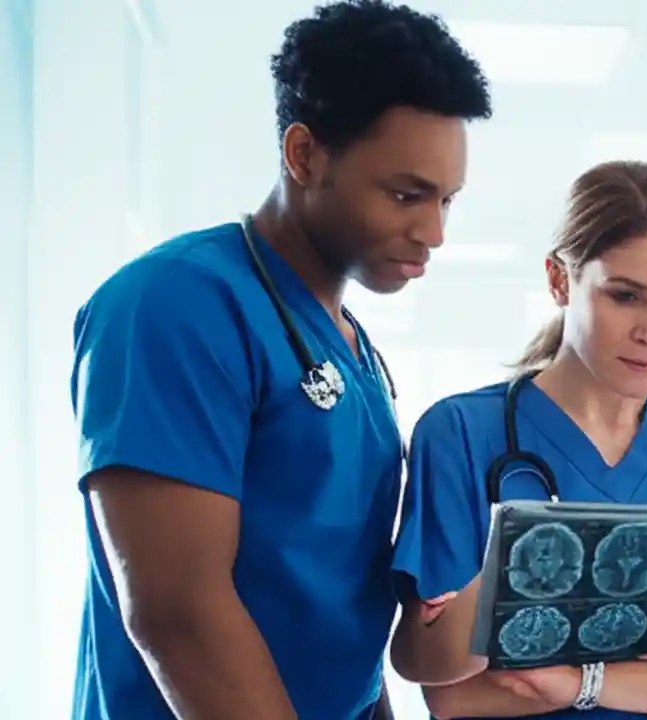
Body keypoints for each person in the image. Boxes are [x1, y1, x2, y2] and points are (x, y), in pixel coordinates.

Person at [67, 2, 491, 718]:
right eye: (405, 194)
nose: (434, 231)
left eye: (447, 199)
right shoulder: (175, 305)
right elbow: (178, 613)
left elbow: (340, 616)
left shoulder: (354, 350)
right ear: (303, 155)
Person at [387, 160, 647, 719]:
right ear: (560, 280)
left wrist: (580, 680)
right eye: (625, 296)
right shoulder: (462, 435)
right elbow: (450, 690)